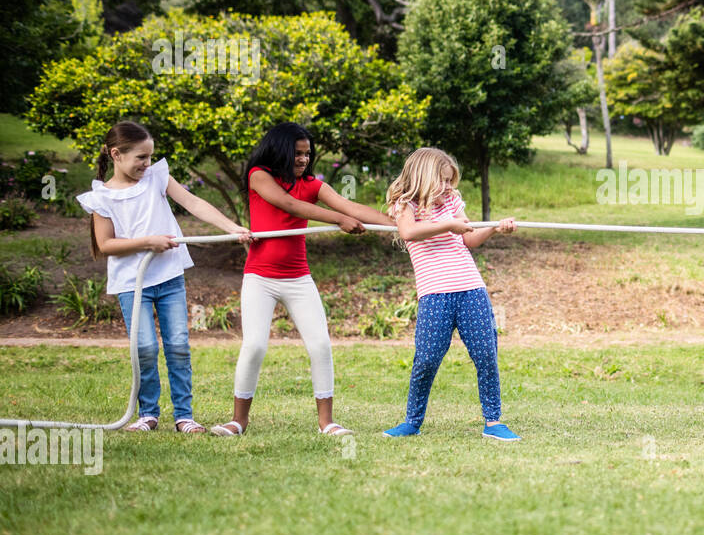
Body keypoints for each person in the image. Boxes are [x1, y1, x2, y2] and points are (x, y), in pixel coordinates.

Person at [210, 122, 394, 437]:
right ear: (280, 150)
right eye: (297, 153)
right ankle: (238, 420)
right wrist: (339, 220)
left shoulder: (312, 184)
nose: (303, 160)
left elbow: (349, 206)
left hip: (298, 278)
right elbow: (289, 204)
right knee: (254, 346)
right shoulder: (259, 175)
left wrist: (397, 224)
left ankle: (327, 422)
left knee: (321, 345)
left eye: (307, 154)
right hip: (260, 278)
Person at [76, 121, 250, 433]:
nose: (147, 163)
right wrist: (148, 242)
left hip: (169, 278)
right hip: (133, 284)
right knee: (144, 348)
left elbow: (193, 202)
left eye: (150, 156)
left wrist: (231, 227)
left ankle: (184, 415)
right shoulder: (100, 197)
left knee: (179, 346)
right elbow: (105, 245)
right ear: (116, 154)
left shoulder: (156, 177)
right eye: (140, 157)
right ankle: (148, 414)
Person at [381, 147, 520, 441]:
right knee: (427, 360)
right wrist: (449, 225)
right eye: (442, 181)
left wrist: (494, 228)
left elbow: (468, 238)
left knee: (486, 355)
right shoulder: (404, 204)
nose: (447, 188)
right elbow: (408, 233)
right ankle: (412, 421)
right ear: (424, 177)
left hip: (471, 289)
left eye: (450, 182)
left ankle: (493, 422)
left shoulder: (452, 201)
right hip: (434, 294)